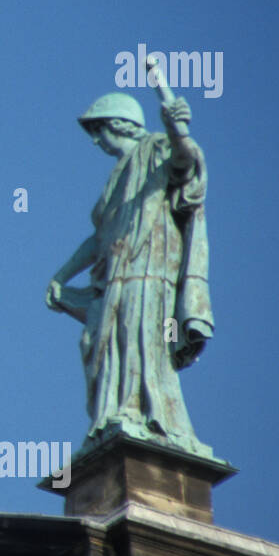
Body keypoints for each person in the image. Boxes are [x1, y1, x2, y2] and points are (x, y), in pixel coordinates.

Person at [44, 91, 214, 458]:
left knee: (140, 336)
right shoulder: (116, 179)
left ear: (119, 125)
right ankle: (112, 414)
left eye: (98, 129)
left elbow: (185, 163)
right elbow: (100, 237)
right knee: (99, 342)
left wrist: (176, 130)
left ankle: (151, 417)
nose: (95, 141)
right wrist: (62, 275)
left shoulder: (156, 148)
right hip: (116, 274)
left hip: (147, 268)